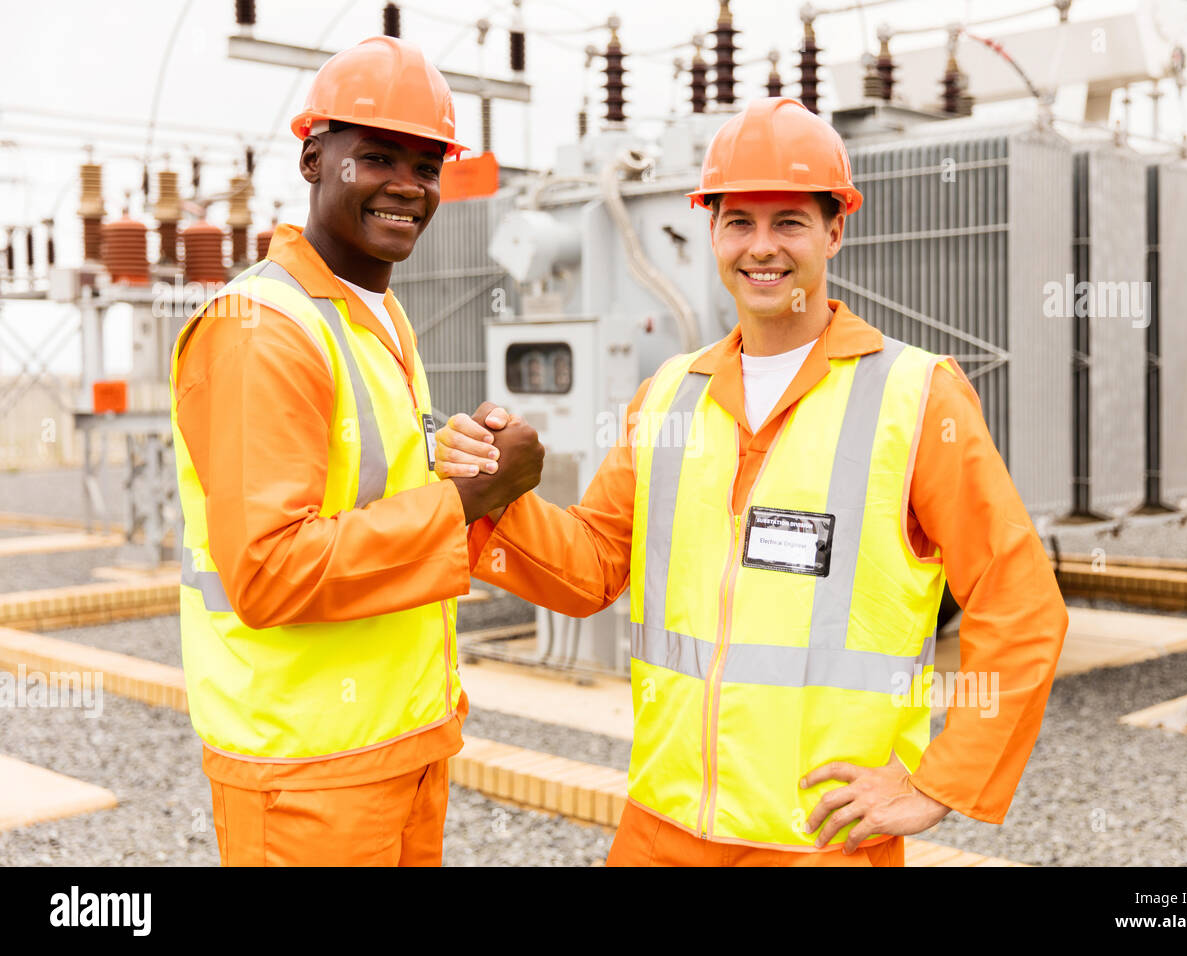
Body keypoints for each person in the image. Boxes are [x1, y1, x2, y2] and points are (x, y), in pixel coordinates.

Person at [436, 97, 1069, 867]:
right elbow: (594, 563)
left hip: (818, 843)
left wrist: (939, 783)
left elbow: (1020, 600)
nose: (761, 248)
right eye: (739, 222)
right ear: (710, 230)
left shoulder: (915, 395)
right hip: (659, 829)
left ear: (835, 229)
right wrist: (494, 499)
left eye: (789, 222)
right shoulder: (670, 393)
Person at [168, 36, 541, 866]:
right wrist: (468, 502)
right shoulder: (261, 331)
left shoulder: (374, 317)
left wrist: (452, 450)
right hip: (304, 773)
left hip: (398, 747)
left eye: (428, 164)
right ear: (314, 159)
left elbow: (363, 488)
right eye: (377, 156)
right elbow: (269, 570)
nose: (409, 185)